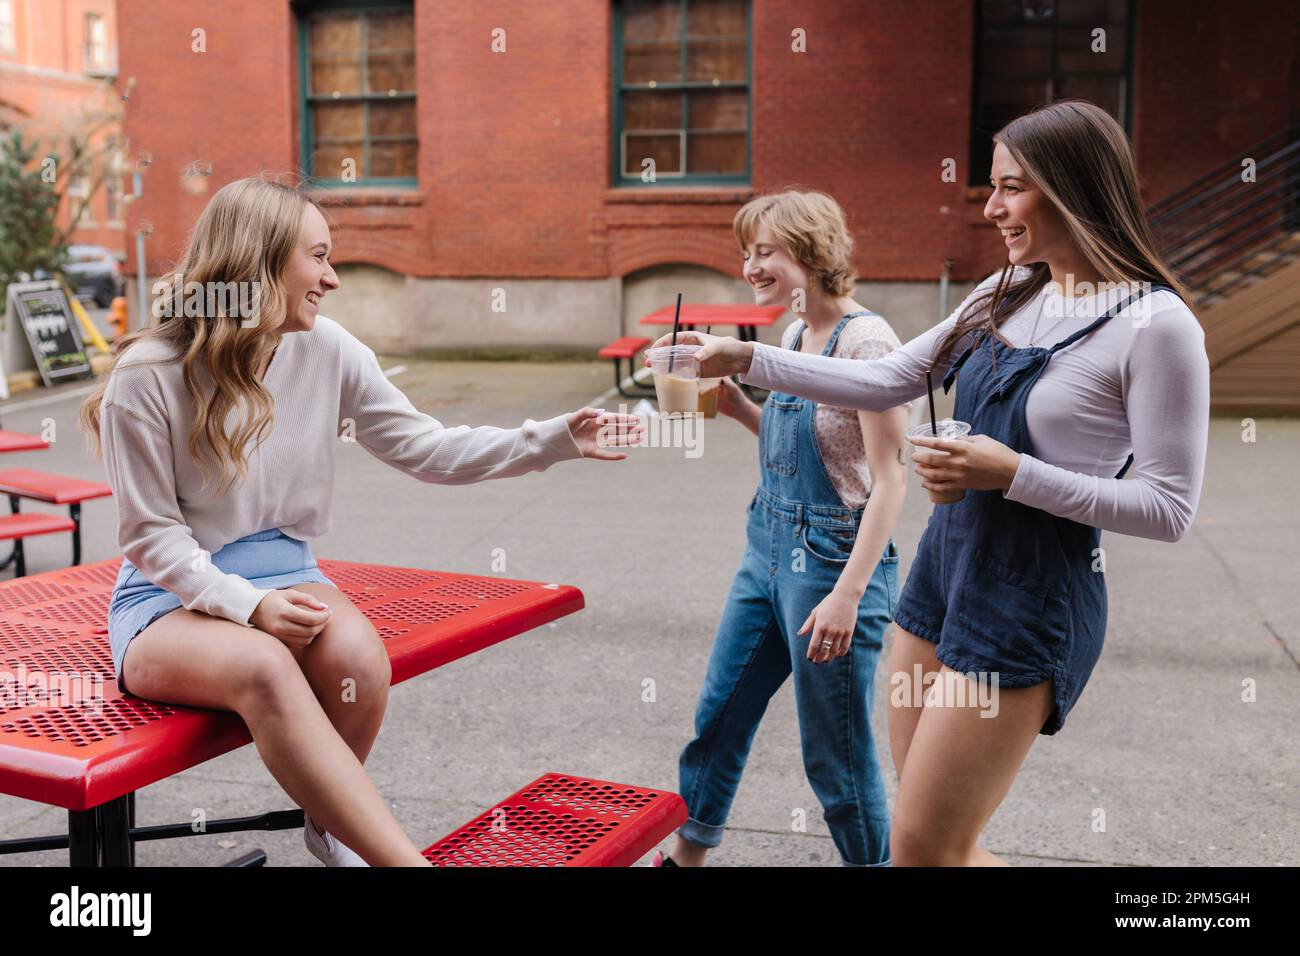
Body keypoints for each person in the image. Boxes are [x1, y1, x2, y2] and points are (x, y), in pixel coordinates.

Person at [648, 101, 1210, 865]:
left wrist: (1009, 471)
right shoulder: (1003, 290)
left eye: (1011, 188)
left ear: (1072, 187)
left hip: (1031, 594)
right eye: (990, 186)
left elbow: (1169, 508)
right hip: (942, 577)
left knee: (919, 846)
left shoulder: (1158, 325)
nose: (991, 208)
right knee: (932, 836)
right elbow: (883, 380)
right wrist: (742, 359)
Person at [79, 176, 643, 867]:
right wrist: (247, 607)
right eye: (317, 257)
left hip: (283, 566)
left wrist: (551, 440)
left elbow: (427, 449)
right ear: (259, 260)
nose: (333, 278)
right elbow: (149, 535)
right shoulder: (149, 374)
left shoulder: (328, 350)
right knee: (263, 669)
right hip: (168, 593)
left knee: (358, 663)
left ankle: (331, 827)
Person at [653, 190, 909, 867]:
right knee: (720, 716)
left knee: (837, 758)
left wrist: (848, 596)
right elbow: (812, 446)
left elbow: (889, 479)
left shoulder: (869, 342)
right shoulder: (796, 334)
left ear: (813, 251)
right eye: (747, 252)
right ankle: (687, 857)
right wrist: (740, 410)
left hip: (833, 564)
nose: (750, 265)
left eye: (764, 251)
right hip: (766, 547)